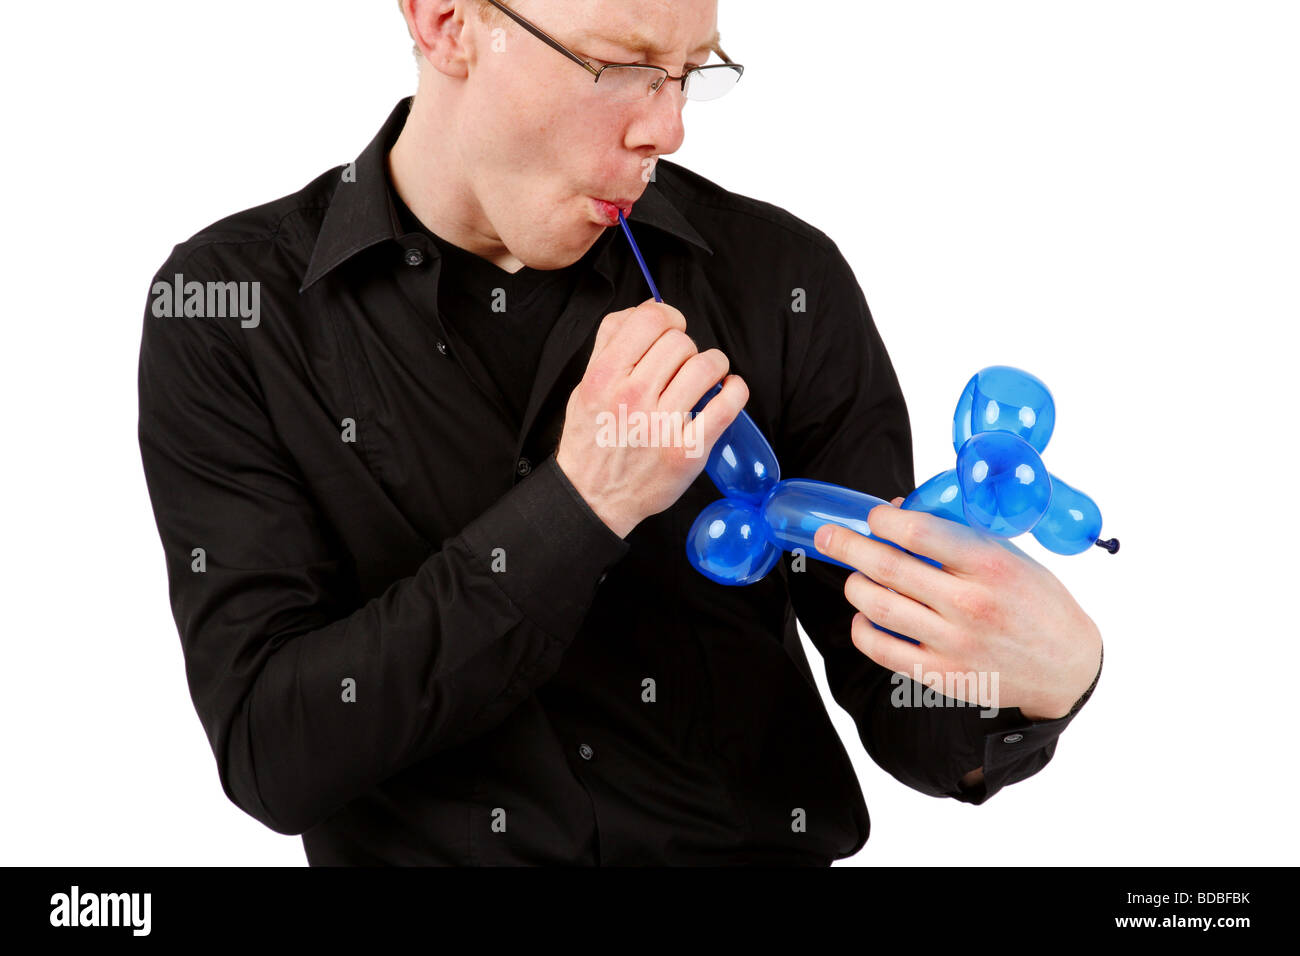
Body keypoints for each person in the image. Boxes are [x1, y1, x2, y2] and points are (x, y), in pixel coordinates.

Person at [137, 0, 1103, 866]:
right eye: (620, 66)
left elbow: (899, 706)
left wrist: (1034, 683)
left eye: (691, 70)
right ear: (445, 22)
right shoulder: (231, 312)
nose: (667, 128)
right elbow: (275, 753)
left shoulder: (781, 278)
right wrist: (580, 504)